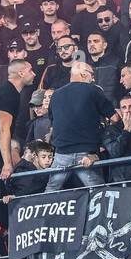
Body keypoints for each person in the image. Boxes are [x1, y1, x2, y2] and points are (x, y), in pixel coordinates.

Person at [45, 62, 115, 192]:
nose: (93, 79)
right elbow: (115, 118)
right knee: (98, 192)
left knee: (51, 189)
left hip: (61, 153)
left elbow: (53, 121)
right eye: (92, 75)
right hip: (87, 152)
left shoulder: (55, 95)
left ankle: (43, 211)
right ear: (83, 74)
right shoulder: (93, 90)